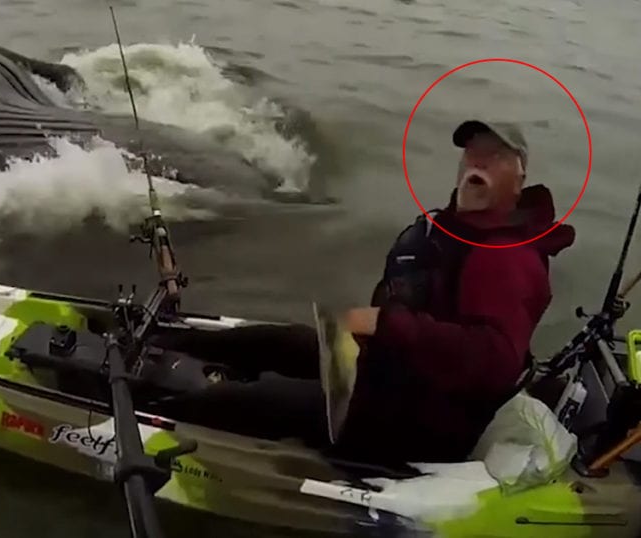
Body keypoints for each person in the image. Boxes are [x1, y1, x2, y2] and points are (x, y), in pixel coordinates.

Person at [154, 119, 577, 464]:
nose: (477, 162)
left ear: (519, 179)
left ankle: (141, 411)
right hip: (393, 378)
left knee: (253, 401)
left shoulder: (507, 257)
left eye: (496, 157)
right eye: (472, 152)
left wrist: (387, 323)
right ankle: (163, 341)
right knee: (280, 341)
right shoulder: (457, 230)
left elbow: (494, 359)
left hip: (423, 423)